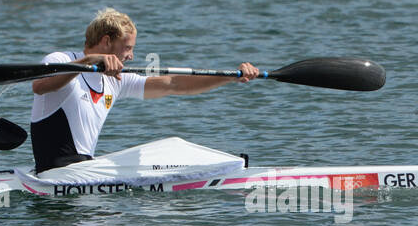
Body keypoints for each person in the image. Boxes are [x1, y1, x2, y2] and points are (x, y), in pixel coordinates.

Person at [29, 9, 259, 173]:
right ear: (107, 41)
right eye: (127, 48)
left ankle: (221, 166)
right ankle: (225, 170)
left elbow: (174, 84)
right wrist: (88, 60)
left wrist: (229, 77)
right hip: (57, 172)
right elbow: (39, 86)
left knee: (169, 147)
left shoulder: (117, 80)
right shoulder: (60, 59)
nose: (131, 56)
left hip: (84, 169)